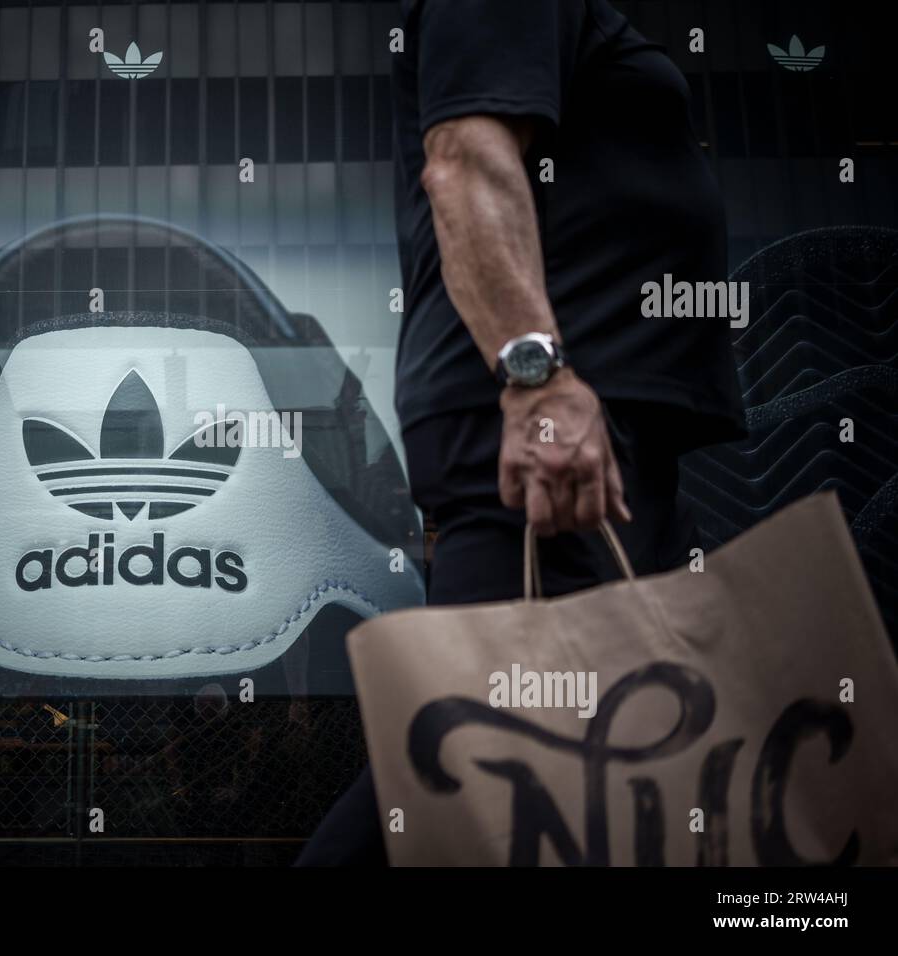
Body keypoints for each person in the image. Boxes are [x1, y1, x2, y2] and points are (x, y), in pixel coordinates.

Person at [296, 0, 746, 865]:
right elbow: (464, 165)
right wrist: (537, 386)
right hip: (548, 435)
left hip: (598, 438)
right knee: (481, 756)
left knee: (582, 763)